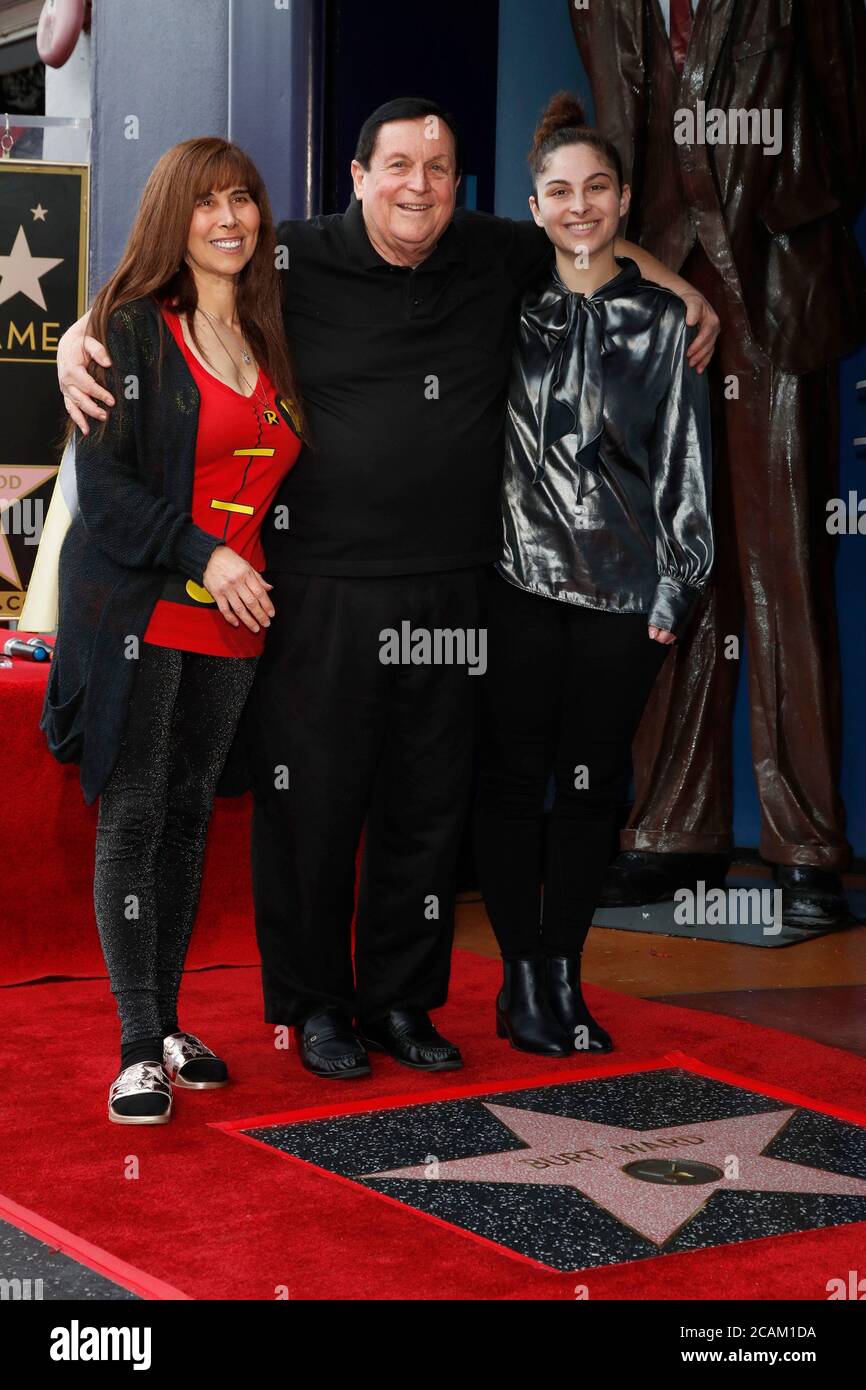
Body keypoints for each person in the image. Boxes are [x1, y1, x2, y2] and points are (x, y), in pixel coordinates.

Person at [55, 98, 719, 1083]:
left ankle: (400, 1002)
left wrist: (685, 293)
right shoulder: (292, 257)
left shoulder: (491, 253)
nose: (419, 185)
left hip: (455, 591)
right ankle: (316, 1007)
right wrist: (79, 331)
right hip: (317, 589)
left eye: (440, 168)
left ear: (459, 186)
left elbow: (587, 235)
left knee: (425, 806)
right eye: (398, 165)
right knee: (311, 807)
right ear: (357, 177)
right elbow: (180, 265)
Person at [570, 0, 866, 928]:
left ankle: (806, 843)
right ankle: (670, 828)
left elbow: (849, 114)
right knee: (667, 568)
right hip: (653, 283)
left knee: (784, 572)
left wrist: (788, 209)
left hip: (775, 284)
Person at [41, 138, 303, 1122]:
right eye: (205, 203)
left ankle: (171, 1018)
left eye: (242, 198)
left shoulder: (278, 327)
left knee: (191, 815)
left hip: (236, 620)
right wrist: (208, 556)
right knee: (138, 810)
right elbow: (102, 493)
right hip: (146, 608)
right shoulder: (133, 331)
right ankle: (135, 1045)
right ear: (171, 216)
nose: (229, 217)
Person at [474, 94, 712, 1056]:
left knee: (588, 786)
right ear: (535, 207)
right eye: (559, 192)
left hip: (622, 597)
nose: (579, 207)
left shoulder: (664, 321)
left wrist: (677, 587)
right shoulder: (504, 306)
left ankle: (565, 971)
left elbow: (683, 464)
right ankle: (519, 974)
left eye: (597, 189)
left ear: (622, 203)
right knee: (508, 781)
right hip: (513, 585)